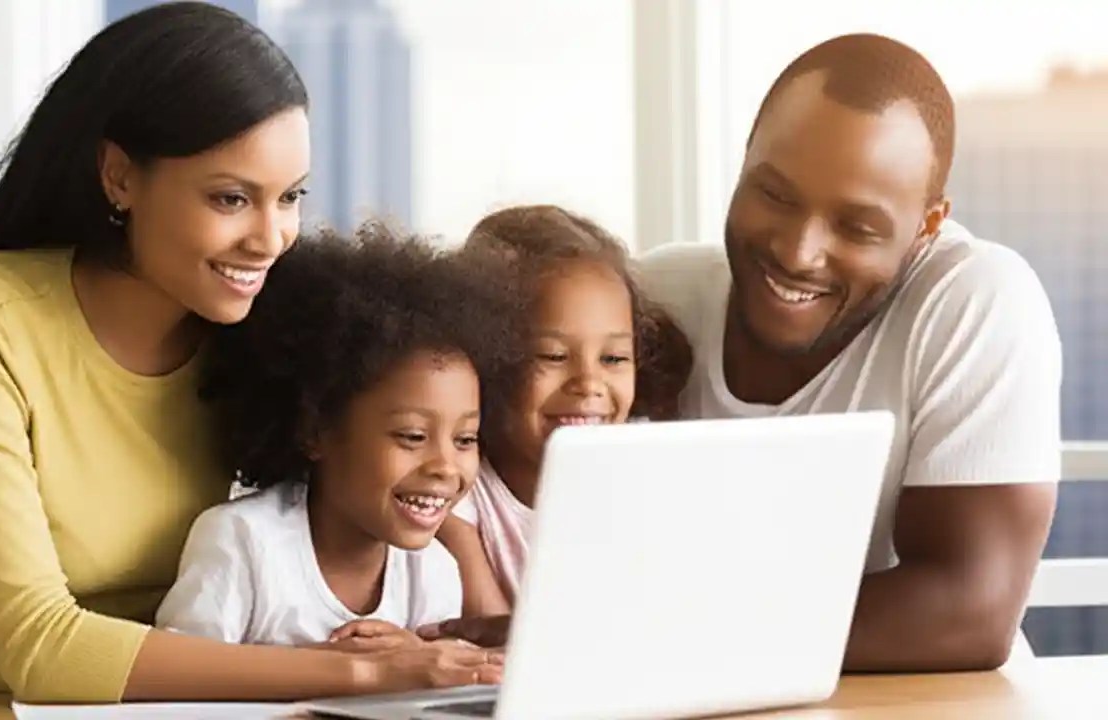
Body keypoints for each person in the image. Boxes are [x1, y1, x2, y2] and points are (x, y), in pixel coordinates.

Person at [0, 3, 495, 703]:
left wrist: (464, 599)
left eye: (290, 197)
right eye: (232, 198)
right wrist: (364, 671)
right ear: (120, 176)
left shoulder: (258, 331)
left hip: (155, 710)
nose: (270, 238)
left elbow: (397, 462)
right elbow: (42, 649)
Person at [424, 34, 1061, 671]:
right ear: (745, 158)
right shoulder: (656, 298)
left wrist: (606, 640)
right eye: (776, 195)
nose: (798, 251)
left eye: (856, 226)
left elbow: (966, 614)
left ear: (927, 224)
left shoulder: (976, 299)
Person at [155, 227, 522, 679]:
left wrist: (415, 657)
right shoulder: (243, 542)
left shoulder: (434, 570)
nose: (446, 466)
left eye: (465, 439)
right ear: (317, 430)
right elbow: (177, 684)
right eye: (411, 436)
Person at [436, 205, 692, 617]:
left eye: (613, 359)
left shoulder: (646, 466)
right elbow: (491, 631)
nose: (588, 383)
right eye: (553, 356)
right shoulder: (458, 487)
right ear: (484, 359)